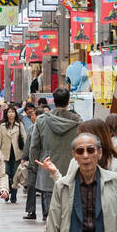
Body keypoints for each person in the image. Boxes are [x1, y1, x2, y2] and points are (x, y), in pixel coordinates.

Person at [29, 87, 81, 220]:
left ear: (53, 101)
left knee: (49, 215)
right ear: (68, 101)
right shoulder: (78, 121)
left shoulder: (41, 120)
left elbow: (34, 146)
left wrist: (34, 166)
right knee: (68, 211)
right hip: (71, 169)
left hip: (47, 169)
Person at [0, 105, 28, 203]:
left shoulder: (20, 124)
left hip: (17, 154)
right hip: (5, 154)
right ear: (6, 113)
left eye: (13, 112)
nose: (11, 114)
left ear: (15, 113)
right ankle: (6, 192)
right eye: (9, 112)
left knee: (15, 176)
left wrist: (25, 154)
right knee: (6, 174)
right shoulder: (2, 125)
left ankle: (13, 196)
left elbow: (24, 138)